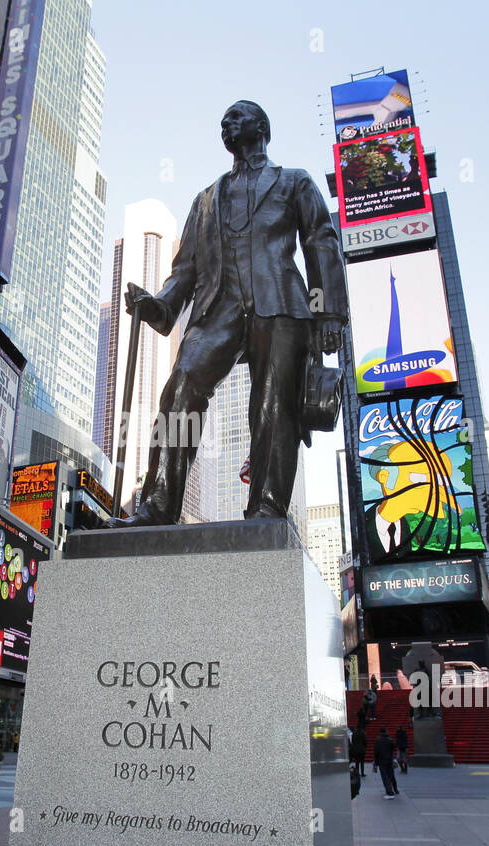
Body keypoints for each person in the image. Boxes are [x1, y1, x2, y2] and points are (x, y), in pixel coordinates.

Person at [107, 100, 347, 528]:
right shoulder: (205, 201)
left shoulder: (294, 182)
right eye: (223, 121)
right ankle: (158, 506)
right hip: (219, 308)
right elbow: (185, 271)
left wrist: (327, 313)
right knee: (180, 388)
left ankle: (266, 510)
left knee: (274, 402)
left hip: (280, 307)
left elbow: (320, 242)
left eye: (236, 117)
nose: (227, 125)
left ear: (261, 127)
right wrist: (159, 305)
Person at [373, 727, 398, 799]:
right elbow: (394, 748)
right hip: (389, 760)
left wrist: (375, 762)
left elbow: (376, 752)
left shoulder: (378, 740)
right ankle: (392, 790)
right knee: (390, 775)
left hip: (382, 760)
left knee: (385, 776)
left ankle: (389, 792)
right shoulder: (390, 739)